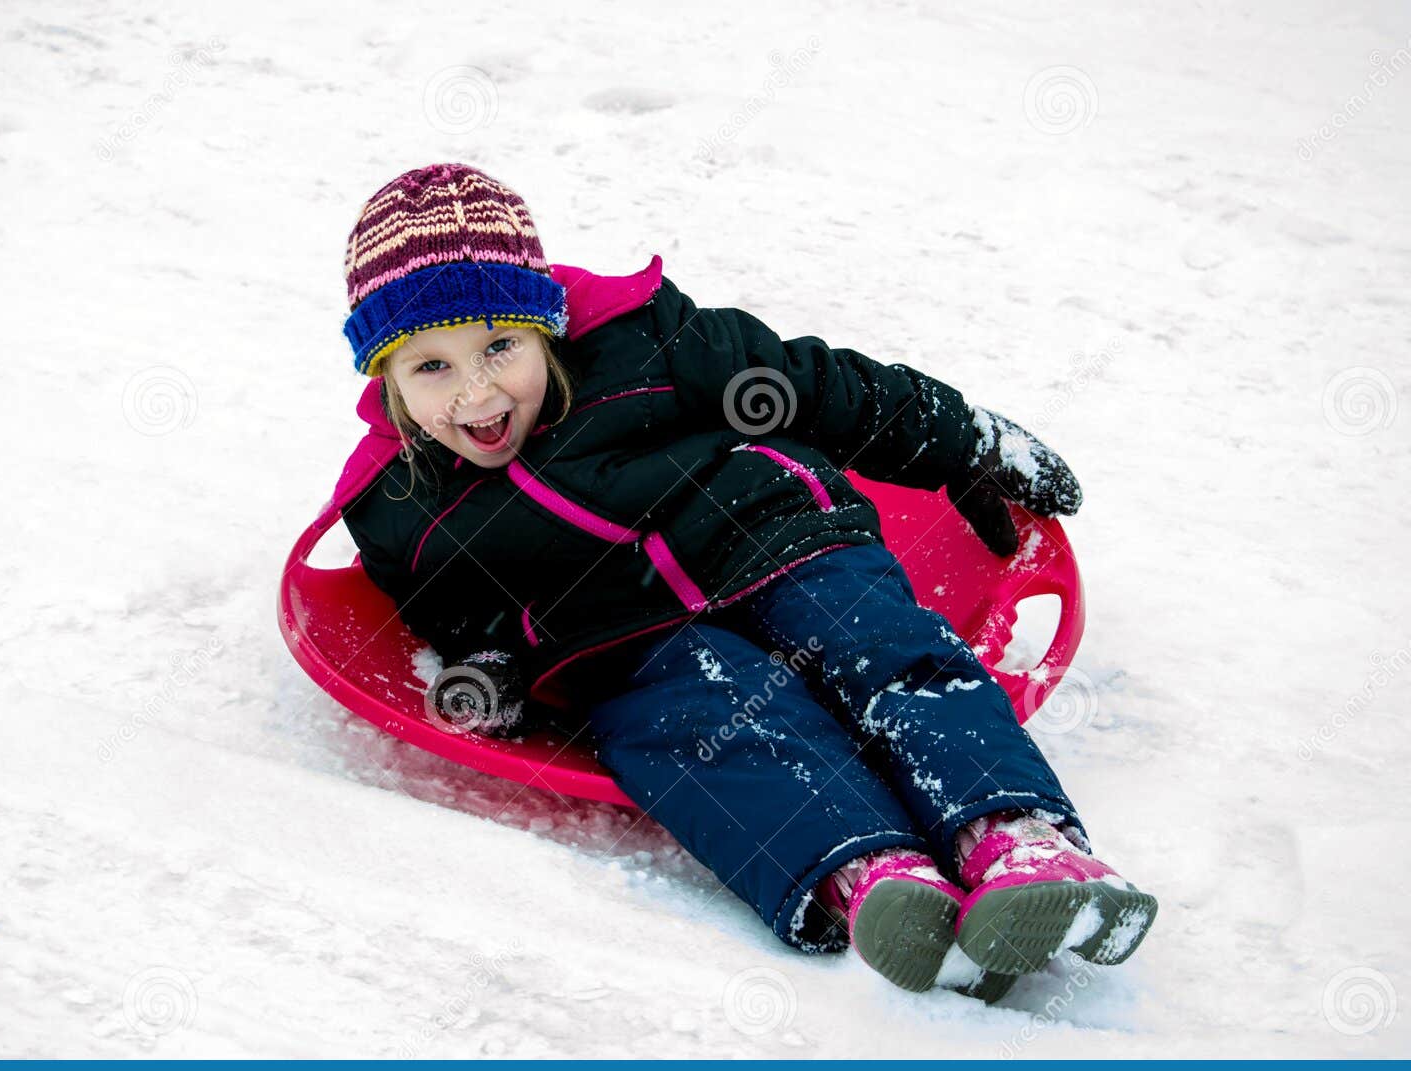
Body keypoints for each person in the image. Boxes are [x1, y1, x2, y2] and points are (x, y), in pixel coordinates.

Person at [333, 162, 1156, 1004]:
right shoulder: (393, 502)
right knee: (702, 731)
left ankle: (1018, 837)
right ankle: (872, 879)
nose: (475, 392)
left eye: (499, 346)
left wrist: (963, 440)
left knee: (884, 650)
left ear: (546, 326)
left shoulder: (646, 339)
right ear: (384, 377)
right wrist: (492, 663)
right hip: (621, 637)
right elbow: (451, 604)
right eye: (430, 367)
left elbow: (817, 387)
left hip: (777, 537)